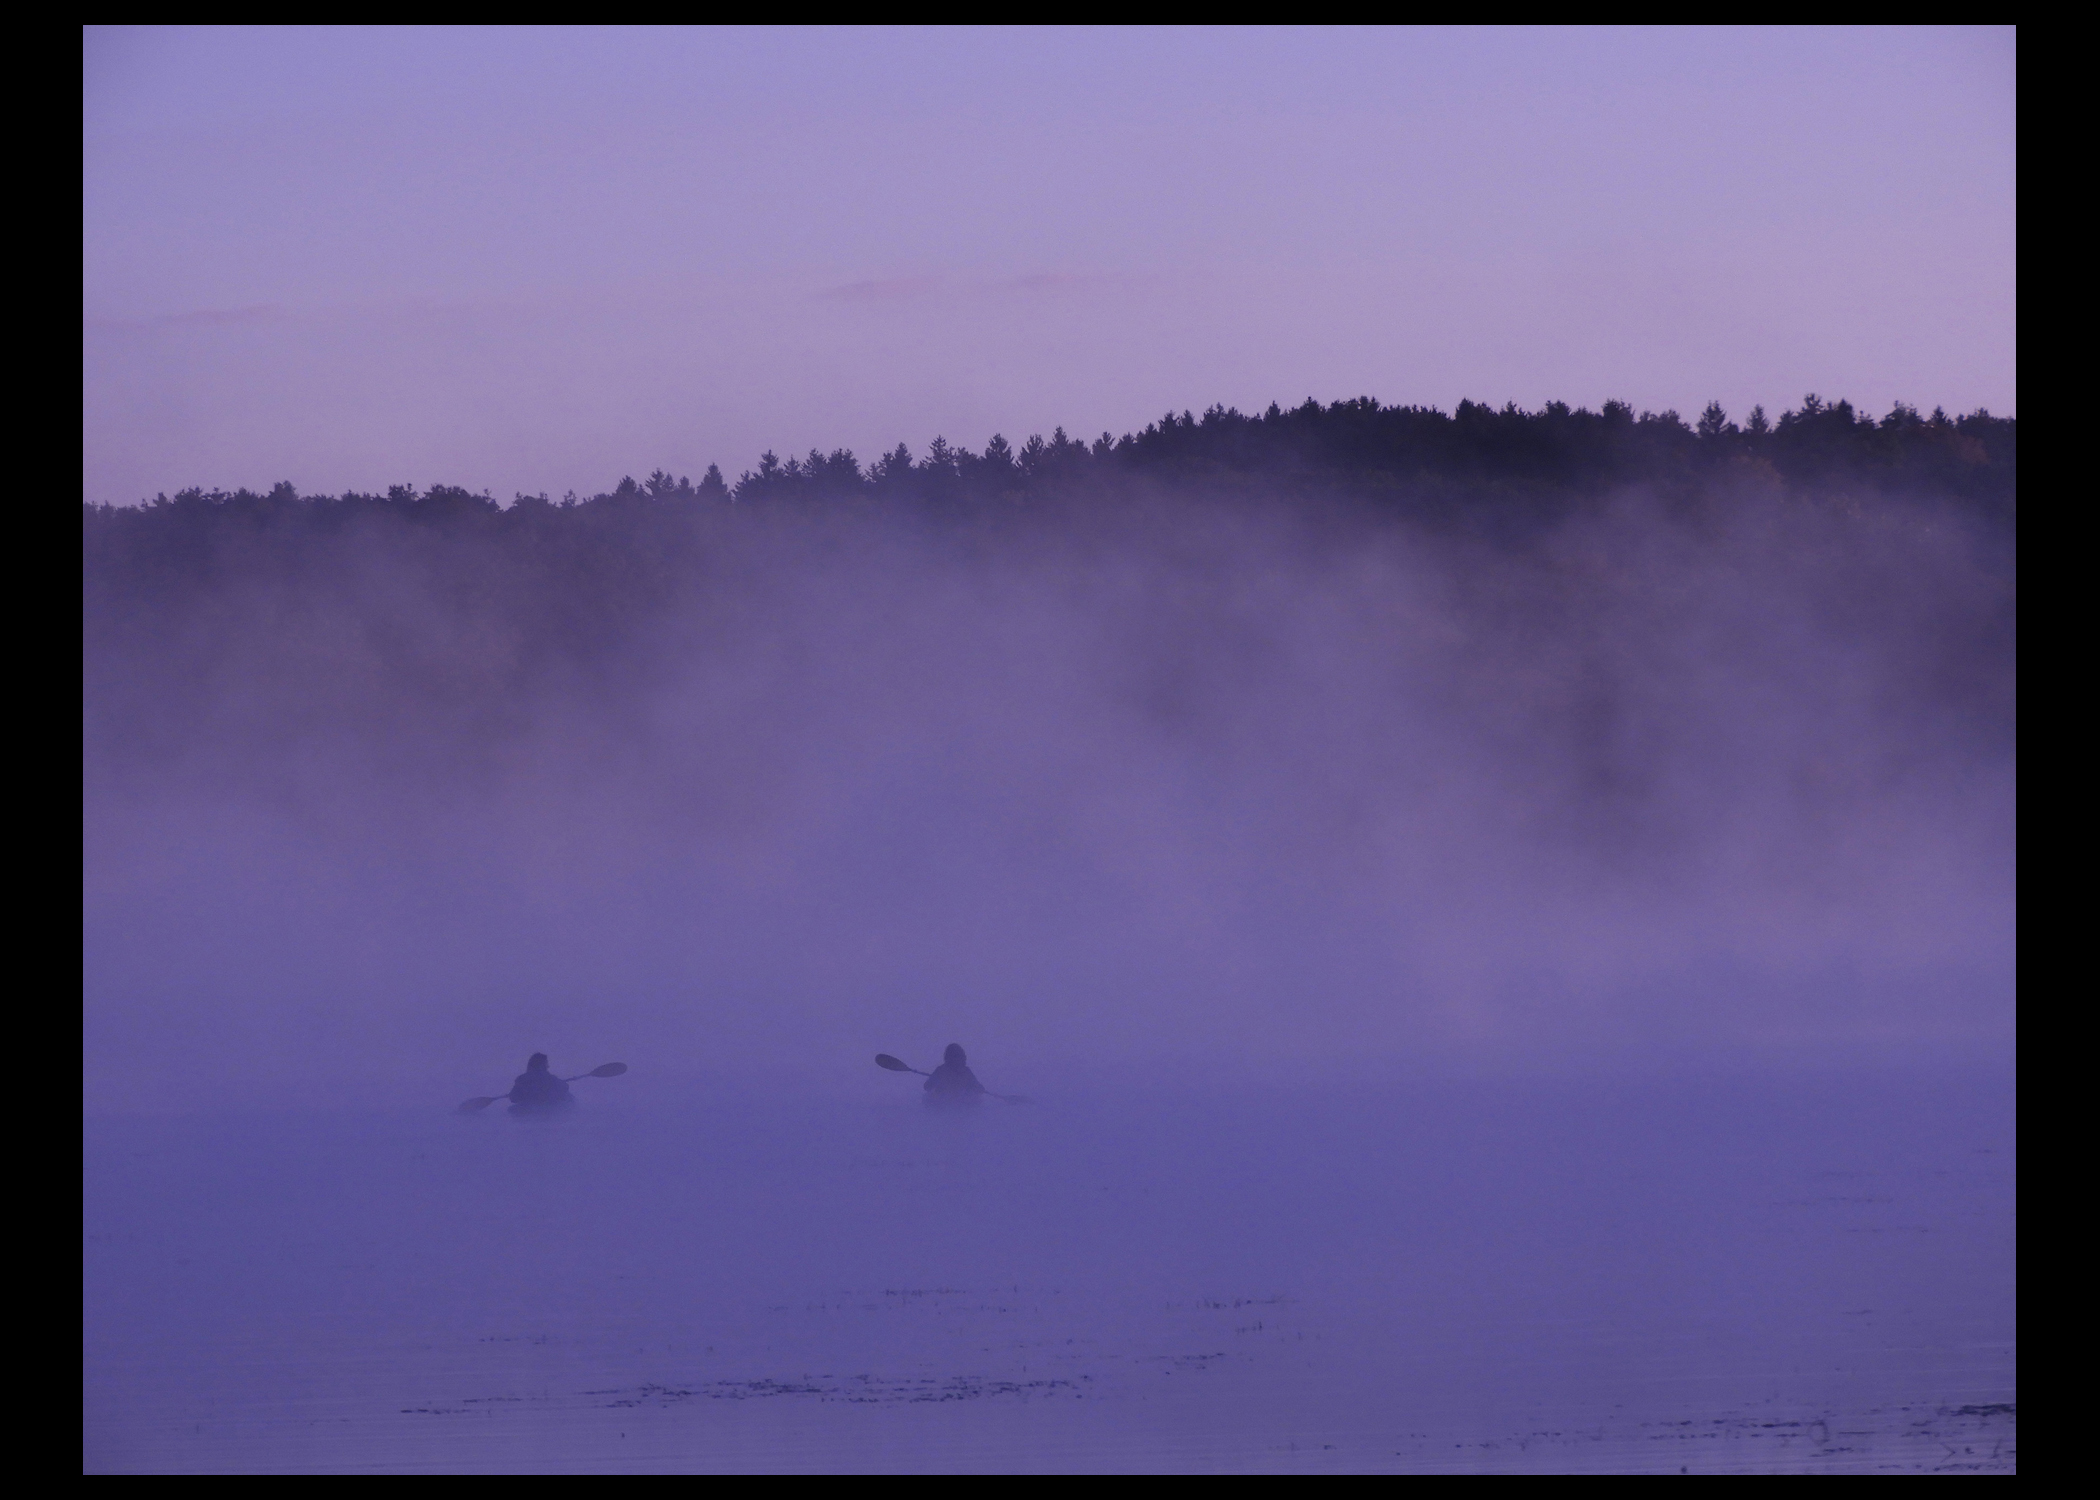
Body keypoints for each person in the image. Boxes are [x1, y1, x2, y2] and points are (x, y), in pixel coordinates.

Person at [508, 1053, 574, 1115]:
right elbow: (565, 1087)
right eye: (546, 1064)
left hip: (527, 1112)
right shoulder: (550, 1078)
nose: (548, 1066)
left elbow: (513, 1098)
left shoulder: (522, 1079)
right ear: (541, 1065)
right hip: (547, 1112)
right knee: (568, 1098)